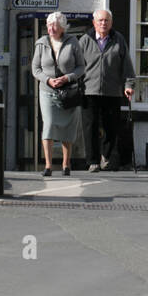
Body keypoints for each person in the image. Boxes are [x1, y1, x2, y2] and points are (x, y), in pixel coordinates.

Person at [79, 8, 135, 172]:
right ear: (94, 23)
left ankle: (106, 156)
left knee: (111, 127)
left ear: (111, 23)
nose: (103, 23)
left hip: (112, 91)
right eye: (100, 20)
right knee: (90, 127)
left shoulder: (118, 40)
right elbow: (77, 65)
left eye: (107, 21)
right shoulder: (85, 40)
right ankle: (92, 161)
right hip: (89, 91)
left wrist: (128, 86)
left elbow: (127, 66)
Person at [31, 12, 85, 177]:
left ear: (62, 27)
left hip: (68, 92)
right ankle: (47, 165)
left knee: (68, 127)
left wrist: (67, 77)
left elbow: (81, 67)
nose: (51, 28)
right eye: (48, 25)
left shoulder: (72, 42)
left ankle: (66, 163)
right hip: (47, 91)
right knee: (48, 124)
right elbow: (35, 69)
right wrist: (48, 80)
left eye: (54, 25)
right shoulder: (41, 43)